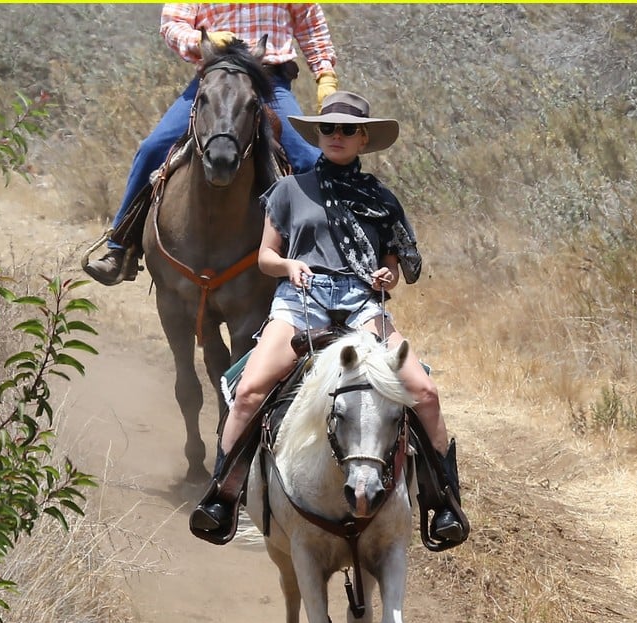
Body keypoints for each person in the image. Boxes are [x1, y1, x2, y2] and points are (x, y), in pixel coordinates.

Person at [189, 91, 470, 549]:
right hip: (301, 302)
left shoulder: (381, 198)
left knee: (424, 390)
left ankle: (443, 504)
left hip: (362, 304)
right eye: (328, 129)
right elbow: (265, 257)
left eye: (346, 130)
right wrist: (289, 267)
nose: (335, 136)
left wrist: (388, 273)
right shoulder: (287, 190)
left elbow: (397, 264)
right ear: (318, 135)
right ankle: (223, 495)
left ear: (363, 139)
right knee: (249, 392)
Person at [84, 3, 339, 284]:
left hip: (268, 81)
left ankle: (329, 263)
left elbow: (310, 24)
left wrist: (325, 73)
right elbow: (172, 25)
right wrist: (201, 40)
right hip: (216, 76)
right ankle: (121, 248)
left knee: (310, 159)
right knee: (153, 148)